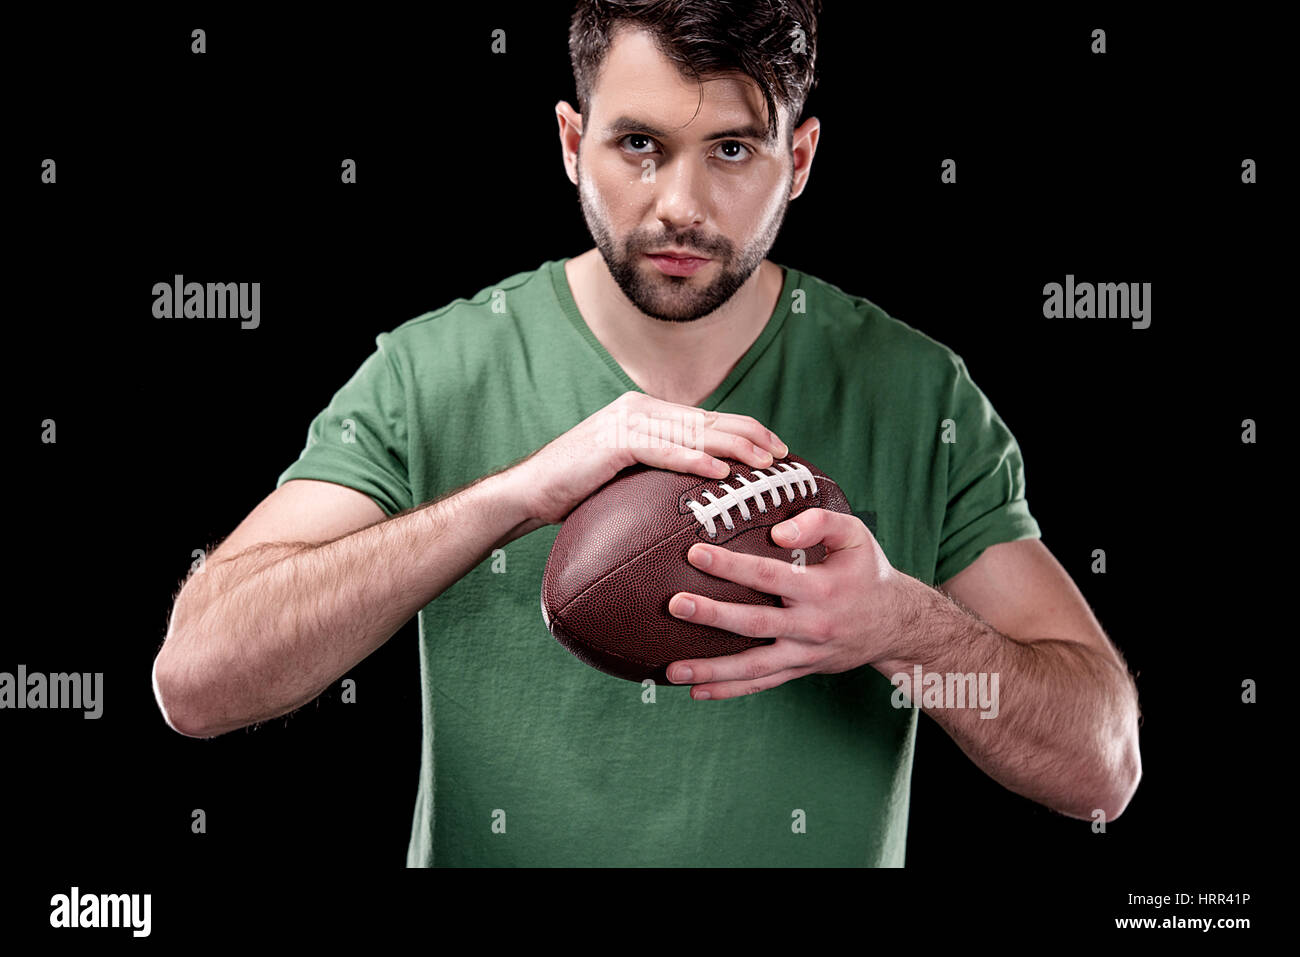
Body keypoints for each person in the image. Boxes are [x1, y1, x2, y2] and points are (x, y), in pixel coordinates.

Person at [152, 0, 1141, 866]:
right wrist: (515, 496)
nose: (681, 205)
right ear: (570, 143)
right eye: (638, 145)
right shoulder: (435, 369)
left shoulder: (916, 392)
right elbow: (196, 683)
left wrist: (903, 628)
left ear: (797, 160)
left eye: (732, 149)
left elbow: (1101, 767)